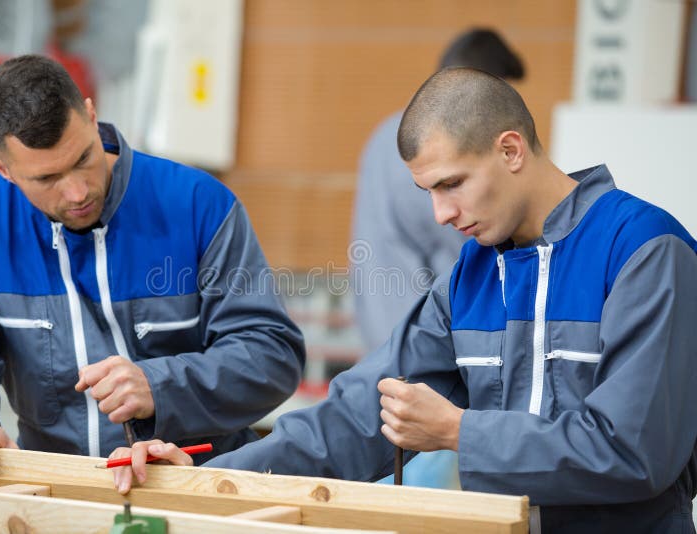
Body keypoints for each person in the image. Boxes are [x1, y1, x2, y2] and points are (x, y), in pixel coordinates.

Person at [111, 68, 697, 533]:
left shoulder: (644, 253)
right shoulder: (474, 276)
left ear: (511, 150)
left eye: (451, 184)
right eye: (428, 192)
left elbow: (633, 451)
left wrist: (461, 433)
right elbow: (359, 414)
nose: (441, 215)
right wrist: (211, 480)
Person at [0, 55, 305, 491]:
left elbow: (271, 354)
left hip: (196, 487)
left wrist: (162, 386)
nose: (76, 192)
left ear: (92, 117)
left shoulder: (198, 204)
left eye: (83, 159)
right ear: (4, 170)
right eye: (48, 177)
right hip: (54, 492)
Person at [352, 28, 524, 488]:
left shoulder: (386, 136)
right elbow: (474, 260)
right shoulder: (441, 156)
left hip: (383, 340)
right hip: (433, 364)